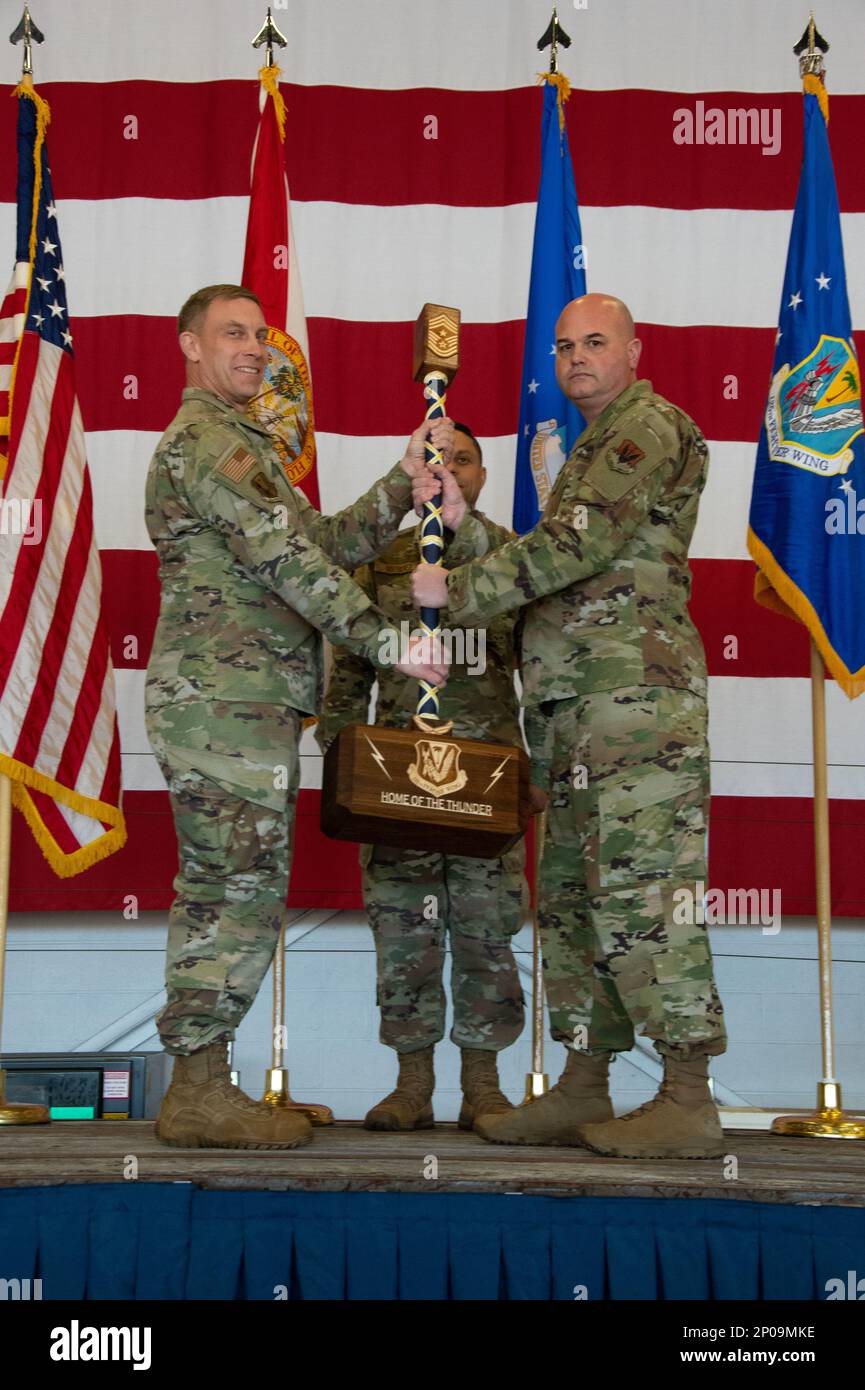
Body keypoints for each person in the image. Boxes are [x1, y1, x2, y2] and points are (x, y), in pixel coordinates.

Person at [145, 283, 478, 1151]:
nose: (254, 348)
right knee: (232, 892)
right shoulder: (210, 440)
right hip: (222, 703)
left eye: (260, 335)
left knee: (239, 887)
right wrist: (385, 642)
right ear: (188, 346)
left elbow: (318, 547)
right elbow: (291, 567)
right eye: (231, 334)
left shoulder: (247, 447)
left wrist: (402, 486)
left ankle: (204, 1078)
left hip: (243, 704)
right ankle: (198, 1086)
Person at [411, 293, 727, 1159]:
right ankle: (585, 1083)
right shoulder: (587, 445)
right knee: (574, 904)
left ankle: (689, 1096)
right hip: (572, 710)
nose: (576, 356)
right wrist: (456, 531)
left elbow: (574, 548)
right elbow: (557, 565)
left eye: (594, 342)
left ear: (632, 348)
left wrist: (454, 589)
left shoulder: (647, 428)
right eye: (562, 346)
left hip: (635, 706)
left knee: (645, 896)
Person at [318, 425, 528, 1133]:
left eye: (462, 461)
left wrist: (542, 770)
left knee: (485, 933)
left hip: (487, 780)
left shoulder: (508, 558)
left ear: (484, 475)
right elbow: (348, 667)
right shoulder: (378, 562)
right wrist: (339, 755)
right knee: (404, 930)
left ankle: (483, 1086)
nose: (449, 474)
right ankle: (410, 1084)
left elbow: (543, 659)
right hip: (396, 778)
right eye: (436, 463)